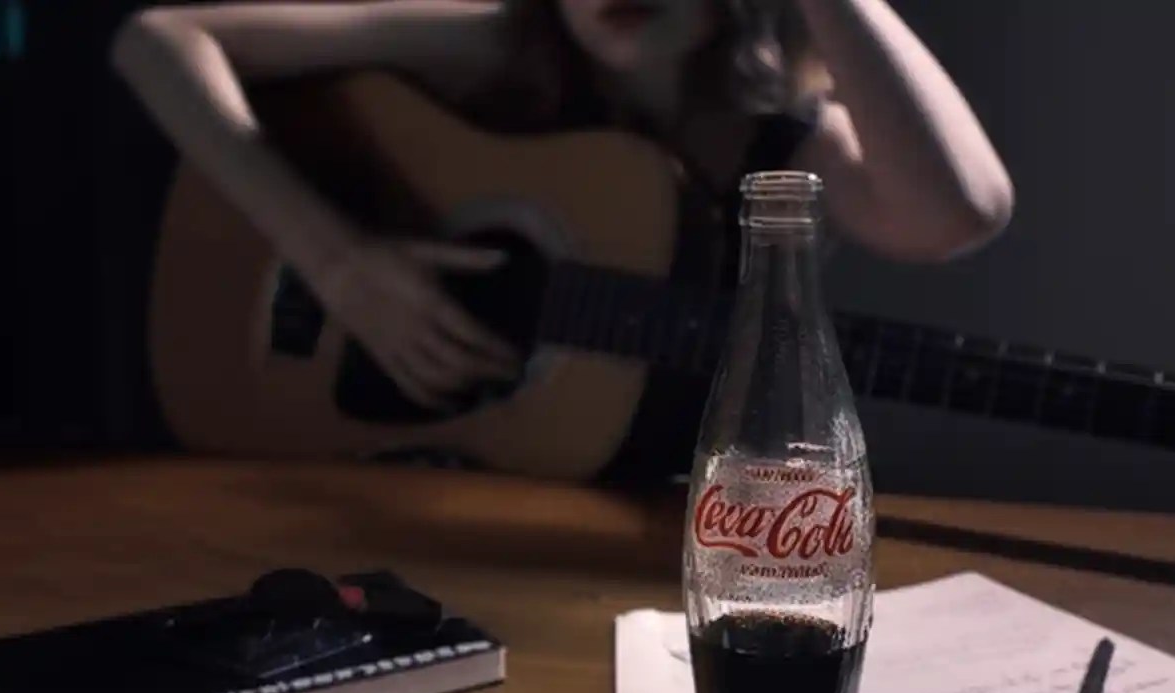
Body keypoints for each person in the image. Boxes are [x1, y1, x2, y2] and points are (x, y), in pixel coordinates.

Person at [111, 0, 1014, 480]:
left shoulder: (773, 136)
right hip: (366, 500)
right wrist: (338, 262)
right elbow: (160, 38)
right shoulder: (497, 42)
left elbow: (959, 212)